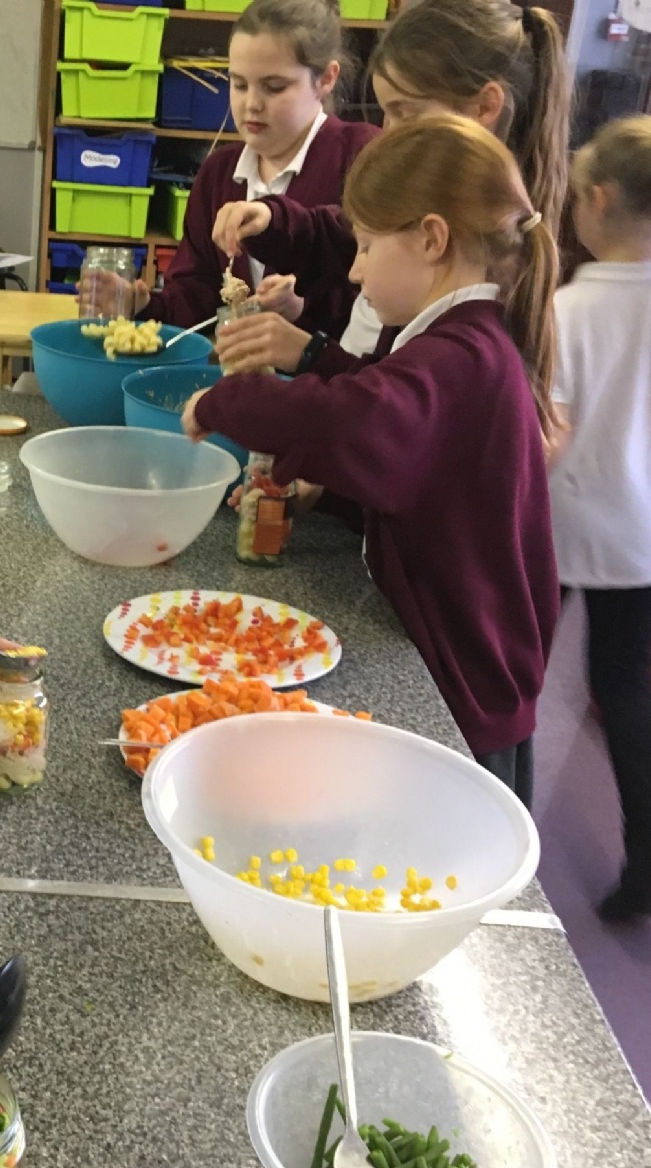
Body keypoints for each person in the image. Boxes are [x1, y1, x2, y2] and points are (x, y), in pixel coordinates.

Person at [183, 116, 560, 805]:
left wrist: (227, 402)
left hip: (463, 689)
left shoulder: (461, 355)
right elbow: (417, 465)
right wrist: (324, 492)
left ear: (432, 239)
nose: (354, 270)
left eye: (364, 246)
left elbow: (360, 419)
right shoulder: (457, 339)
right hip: (455, 656)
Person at [213, 0, 571, 376]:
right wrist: (273, 220)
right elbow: (340, 236)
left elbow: (393, 398)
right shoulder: (432, 201)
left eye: (405, 113)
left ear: (483, 107)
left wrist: (297, 365)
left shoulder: (478, 283)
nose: (387, 133)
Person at [109, 0, 377, 338]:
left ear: (325, 78)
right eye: (238, 84)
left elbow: (383, 298)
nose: (251, 104)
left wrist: (304, 308)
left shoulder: (363, 155)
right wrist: (145, 306)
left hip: (333, 367)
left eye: (274, 87)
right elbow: (197, 294)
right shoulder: (218, 172)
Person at [548, 116, 651, 923]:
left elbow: (548, 434)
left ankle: (496, 810)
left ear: (600, 199)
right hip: (641, 538)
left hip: (564, 529)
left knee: (518, 674)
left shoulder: (569, 309)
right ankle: (645, 861)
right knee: (626, 689)